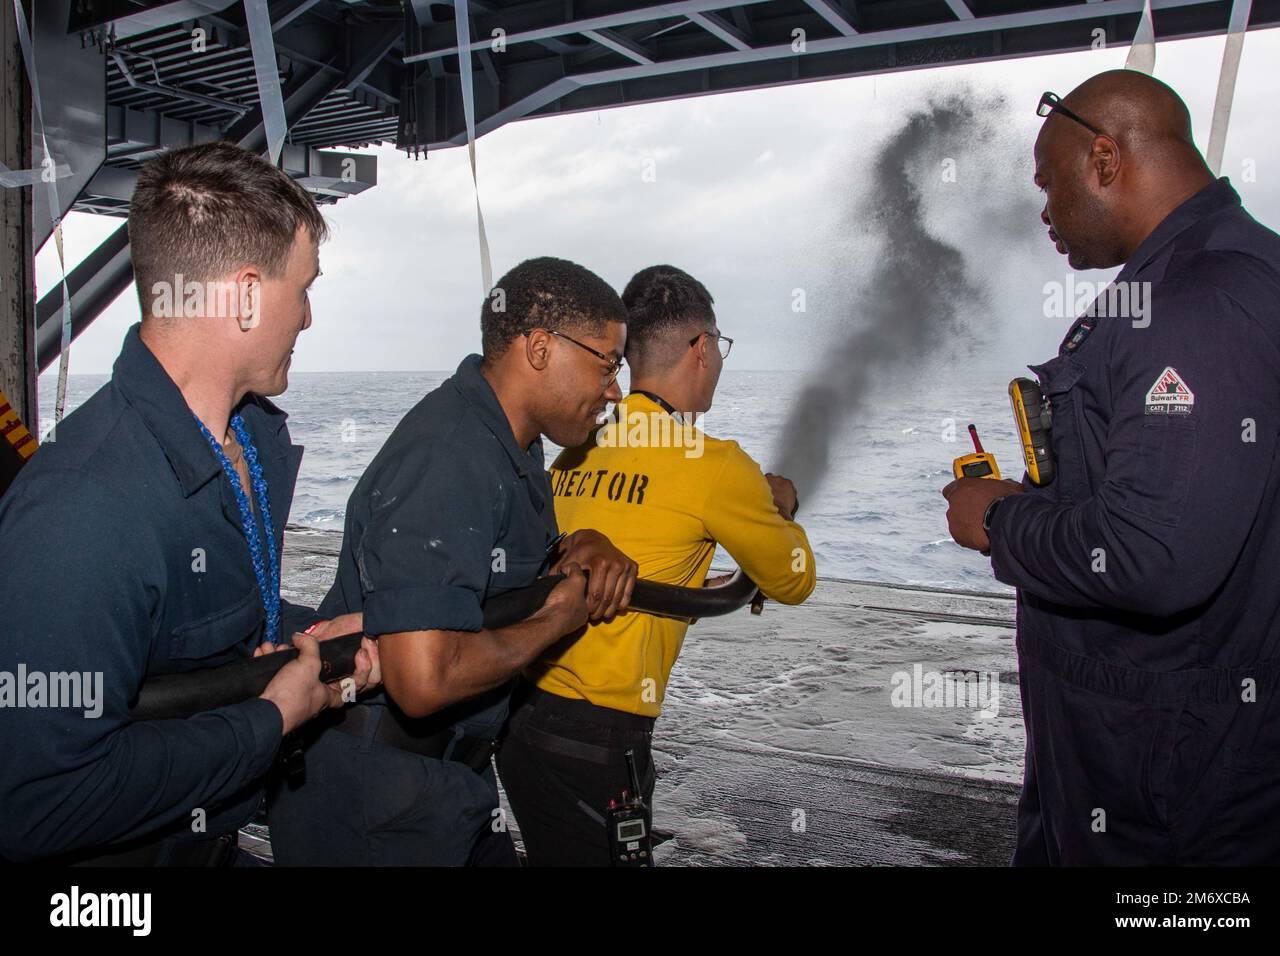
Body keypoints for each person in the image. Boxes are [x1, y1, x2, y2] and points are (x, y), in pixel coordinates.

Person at [942, 70, 1280, 865]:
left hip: (1175, 781)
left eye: (1049, 181)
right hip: (1151, 753)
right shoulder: (1215, 276)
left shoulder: (1199, 302)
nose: (1043, 210)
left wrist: (998, 519)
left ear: (1104, 159)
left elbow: (1154, 555)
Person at [0, 141, 376, 865]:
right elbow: (36, 801)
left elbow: (201, 641)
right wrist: (273, 719)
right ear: (241, 297)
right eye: (303, 288)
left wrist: (325, 637)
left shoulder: (246, 443)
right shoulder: (80, 510)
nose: (306, 319)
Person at [267, 256, 639, 865]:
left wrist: (576, 543)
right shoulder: (450, 456)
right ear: (541, 348)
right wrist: (558, 619)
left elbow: (487, 574)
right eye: (607, 362)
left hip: (444, 776)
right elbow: (422, 681)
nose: (615, 388)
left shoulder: (508, 444)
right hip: (376, 796)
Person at [497, 265, 817, 865]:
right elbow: (795, 579)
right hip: (599, 736)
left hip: (519, 716)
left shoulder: (576, 446)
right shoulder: (717, 465)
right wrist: (782, 507)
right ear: (700, 348)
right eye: (718, 346)